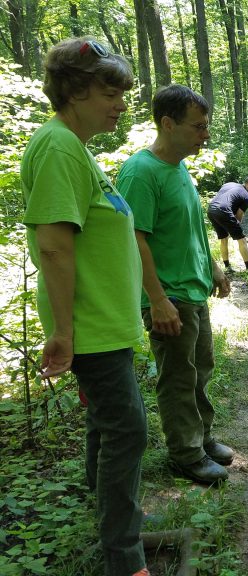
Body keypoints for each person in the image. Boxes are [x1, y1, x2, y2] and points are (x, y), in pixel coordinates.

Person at [21, 37, 149, 576]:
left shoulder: (74, 147)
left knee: (107, 424)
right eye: (108, 91)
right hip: (90, 330)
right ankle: (125, 558)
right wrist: (65, 332)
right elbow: (54, 244)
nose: (119, 102)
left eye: (121, 92)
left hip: (104, 325)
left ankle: (100, 505)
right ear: (75, 91)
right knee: (128, 429)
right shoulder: (56, 148)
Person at [117, 84, 233, 485]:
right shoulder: (140, 171)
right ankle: (185, 454)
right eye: (198, 126)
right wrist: (157, 299)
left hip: (193, 289)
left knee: (200, 369)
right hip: (169, 297)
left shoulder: (180, 166)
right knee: (179, 378)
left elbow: (192, 226)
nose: (205, 134)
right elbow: (135, 239)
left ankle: (201, 438)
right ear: (168, 124)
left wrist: (215, 267)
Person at [207, 176, 248, 273]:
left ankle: (227, 267)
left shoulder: (229, 184)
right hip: (224, 210)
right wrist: (237, 233)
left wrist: (229, 227)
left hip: (211, 210)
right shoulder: (246, 197)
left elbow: (225, 198)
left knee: (223, 239)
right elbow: (238, 218)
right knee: (242, 239)